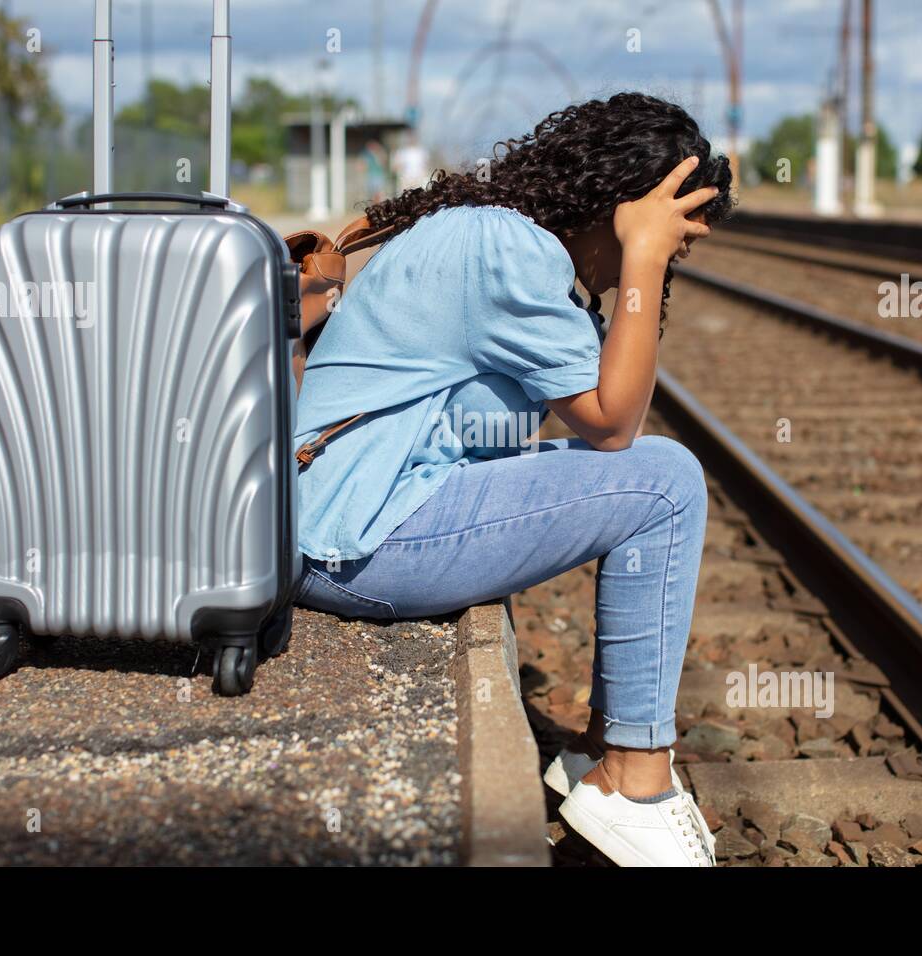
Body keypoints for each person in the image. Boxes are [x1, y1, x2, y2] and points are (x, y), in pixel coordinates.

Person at [293, 92, 734, 867]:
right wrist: (643, 257)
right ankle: (631, 781)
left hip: (361, 515)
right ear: (619, 206)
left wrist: (636, 258)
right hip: (356, 535)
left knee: (648, 478)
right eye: (672, 239)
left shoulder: (501, 239)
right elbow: (612, 422)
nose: (673, 261)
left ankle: (605, 749)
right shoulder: (508, 249)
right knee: (665, 482)